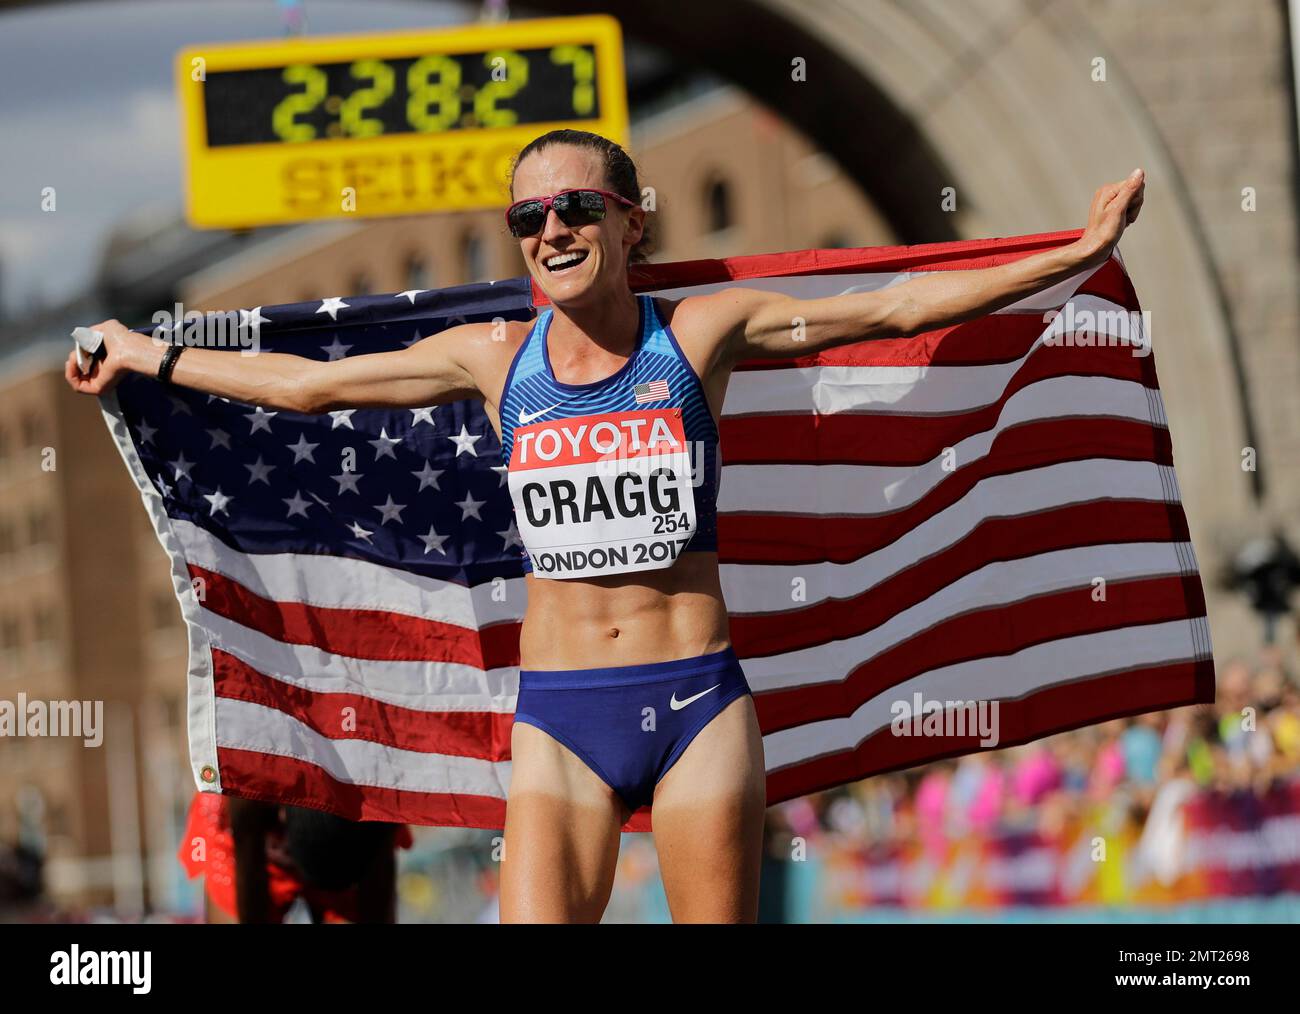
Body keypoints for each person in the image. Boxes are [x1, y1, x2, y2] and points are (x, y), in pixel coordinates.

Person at [67, 128, 1145, 923]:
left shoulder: (705, 330)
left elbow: (900, 307)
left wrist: (1076, 251)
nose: (553, 231)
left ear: (634, 220)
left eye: (577, 208)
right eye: (529, 219)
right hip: (561, 718)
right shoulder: (492, 359)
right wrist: (145, 353)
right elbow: (307, 391)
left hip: (696, 708)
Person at [177, 793, 409, 923]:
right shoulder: (241, 795)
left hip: (350, 818)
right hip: (247, 830)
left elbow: (377, 894)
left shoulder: (378, 802)